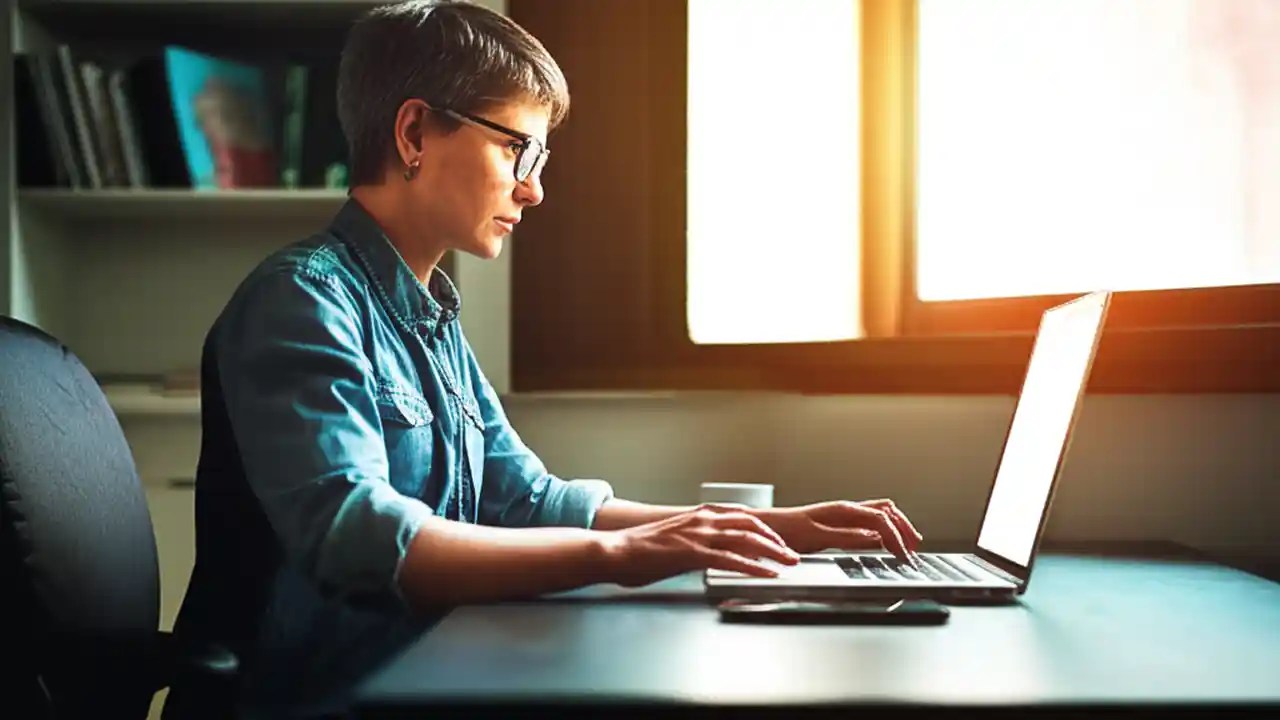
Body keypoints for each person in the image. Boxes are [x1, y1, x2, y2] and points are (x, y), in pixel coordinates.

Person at [164, 1, 924, 717]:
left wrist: (757, 527)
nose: (534, 188)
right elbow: (361, 531)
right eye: (515, 146)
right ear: (415, 135)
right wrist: (615, 554)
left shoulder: (429, 319)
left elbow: (528, 500)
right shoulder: (301, 302)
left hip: (425, 673)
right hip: (321, 698)